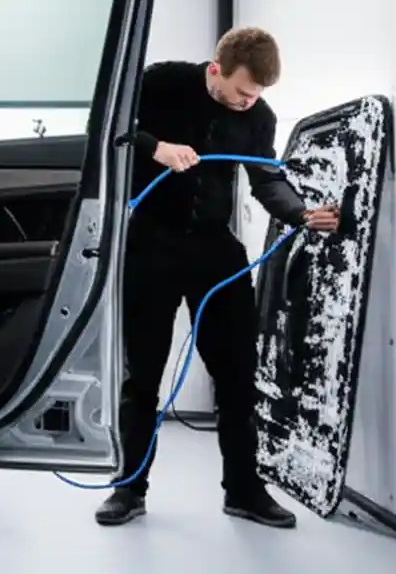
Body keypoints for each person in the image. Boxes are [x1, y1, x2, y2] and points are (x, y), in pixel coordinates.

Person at [95, 27, 340, 529]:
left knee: (236, 376)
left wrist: (301, 213)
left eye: (257, 96)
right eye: (242, 92)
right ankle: (128, 490)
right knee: (141, 375)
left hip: (214, 248)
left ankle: (245, 492)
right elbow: (110, 127)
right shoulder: (162, 82)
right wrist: (156, 147)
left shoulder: (260, 117)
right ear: (216, 70)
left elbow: (267, 178)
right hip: (152, 243)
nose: (249, 102)